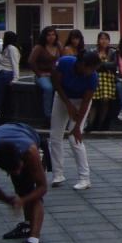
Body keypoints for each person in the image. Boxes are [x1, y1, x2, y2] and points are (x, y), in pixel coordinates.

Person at [48, 51, 99, 190]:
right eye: (91, 68)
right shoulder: (64, 62)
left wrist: (77, 127)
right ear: (82, 64)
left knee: (74, 138)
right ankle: (57, 174)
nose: (92, 72)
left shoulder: (93, 77)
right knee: (55, 136)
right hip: (62, 97)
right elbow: (56, 83)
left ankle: (84, 177)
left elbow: (86, 102)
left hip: (81, 101)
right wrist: (68, 105)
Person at [88, 31, 118, 134]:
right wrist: (105, 65)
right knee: (93, 102)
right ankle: (90, 125)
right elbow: (92, 65)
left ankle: (101, 123)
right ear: (98, 41)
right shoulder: (93, 51)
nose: (104, 41)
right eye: (102, 39)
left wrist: (100, 64)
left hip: (108, 78)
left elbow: (114, 65)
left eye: (106, 39)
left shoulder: (113, 52)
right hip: (95, 77)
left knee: (105, 100)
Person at [29, 26, 61, 123]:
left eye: (53, 35)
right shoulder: (39, 47)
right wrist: (39, 73)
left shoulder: (58, 45)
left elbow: (63, 57)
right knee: (48, 88)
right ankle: (48, 115)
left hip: (54, 74)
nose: (51, 37)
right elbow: (31, 61)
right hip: (42, 74)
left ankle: (60, 113)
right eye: (48, 35)